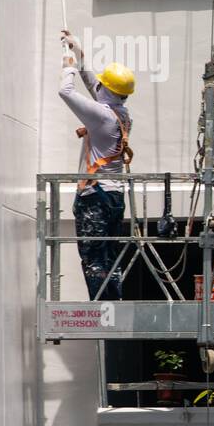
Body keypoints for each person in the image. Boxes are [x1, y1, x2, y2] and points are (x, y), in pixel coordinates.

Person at [58, 30, 135, 301]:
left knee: (93, 257)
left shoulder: (101, 115)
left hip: (95, 198)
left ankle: (104, 309)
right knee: (109, 257)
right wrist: (79, 54)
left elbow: (65, 91)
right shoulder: (120, 114)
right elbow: (96, 90)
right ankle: (113, 304)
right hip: (113, 196)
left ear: (109, 89)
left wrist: (68, 67)